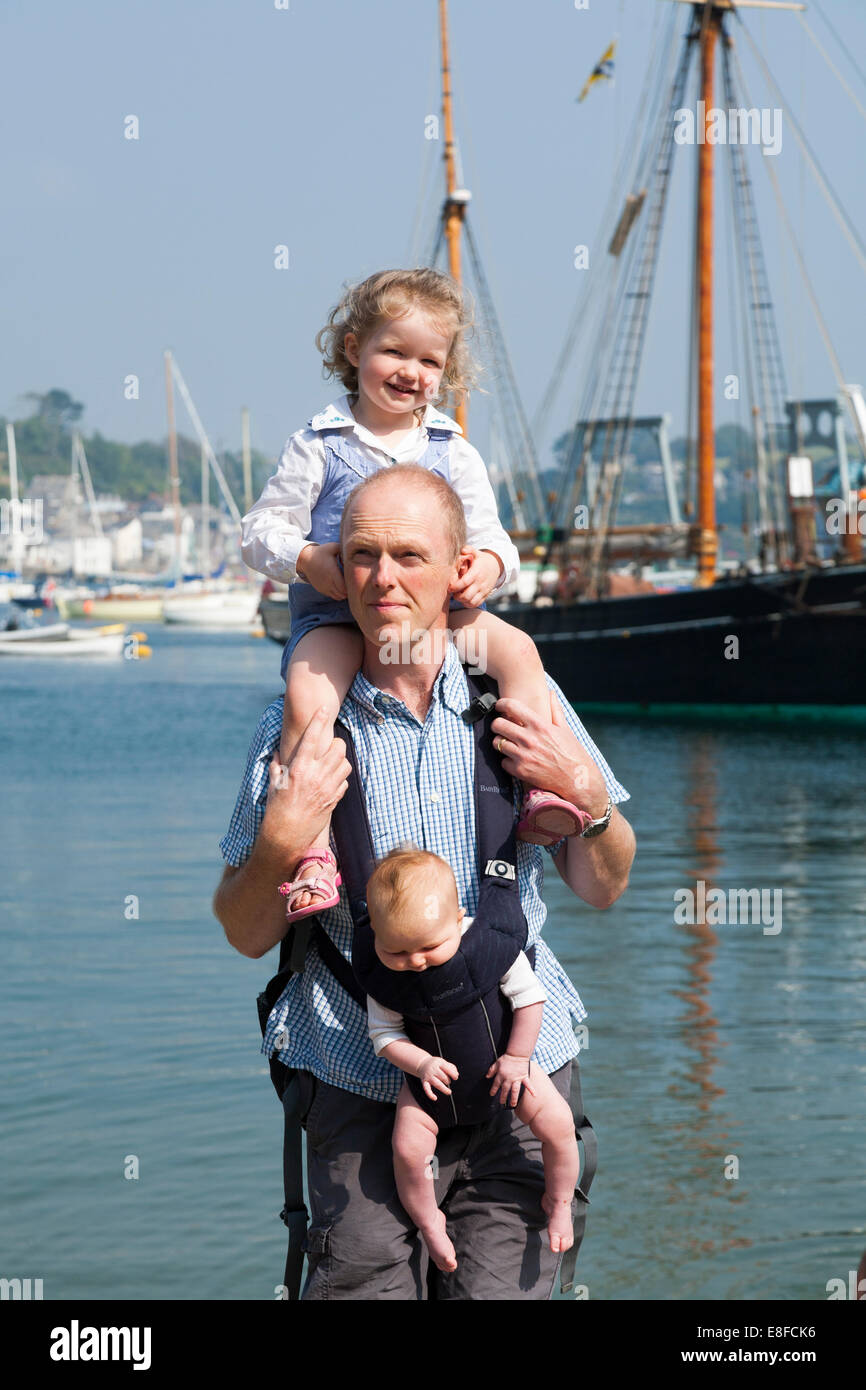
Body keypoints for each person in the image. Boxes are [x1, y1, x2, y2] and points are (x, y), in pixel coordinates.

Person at [214, 463, 635, 1300]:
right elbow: (243, 928)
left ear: (459, 570)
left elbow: (605, 884)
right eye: (363, 554)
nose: (384, 577)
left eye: (410, 554)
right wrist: (284, 837)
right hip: (357, 1077)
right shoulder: (298, 728)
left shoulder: (521, 701)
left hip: (523, 1069)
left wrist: (587, 800)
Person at [240, 267, 591, 923]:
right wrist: (307, 557)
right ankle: (314, 854)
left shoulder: (451, 450)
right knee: (309, 699)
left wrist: (488, 564)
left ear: (446, 369)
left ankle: (543, 788)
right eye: (394, 351)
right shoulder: (320, 445)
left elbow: (494, 536)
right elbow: (259, 531)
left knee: (518, 652)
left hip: (441, 621)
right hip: (340, 617)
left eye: (429, 359)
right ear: (353, 350)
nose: (411, 371)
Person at [364, 846, 581, 1274]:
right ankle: (430, 1222)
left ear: (459, 919)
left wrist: (518, 1058)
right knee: (407, 1149)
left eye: (429, 946)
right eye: (397, 953)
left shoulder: (487, 946)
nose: (415, 962)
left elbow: (530, 999)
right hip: (431, 1089)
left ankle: (559, 1202)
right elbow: (384, 1036)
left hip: (506, 1075)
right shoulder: (383, 974)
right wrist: (420, 1064)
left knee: (559, 1127)